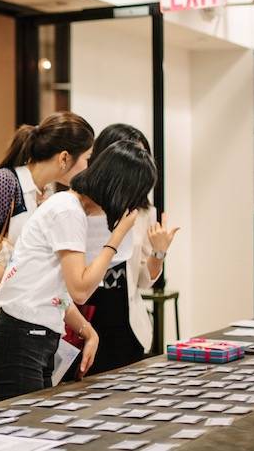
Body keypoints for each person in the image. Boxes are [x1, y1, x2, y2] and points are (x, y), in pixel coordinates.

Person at [0, 140, 157, 400]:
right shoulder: (68, 210)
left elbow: (57, 293)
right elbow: (80, 290)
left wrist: (87, 331)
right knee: (27, 424)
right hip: (21, 338)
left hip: (34, 337)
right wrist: (117, 235)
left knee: (38, 422)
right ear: (120, 191)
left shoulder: (71, 208)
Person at [0, 112, 95, 411]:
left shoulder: (52, 195)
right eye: (86, 158)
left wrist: (83, 327)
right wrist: (20, 291)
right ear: (64, 158)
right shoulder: (4, 182)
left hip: (27, 326)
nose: (88, 168)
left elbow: (46, 279)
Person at [81, 124, 179, 374]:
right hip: (82, 315)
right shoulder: (80, 205)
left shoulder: (143, 212)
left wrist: (159, 253)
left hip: (125, 319)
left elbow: (144, 281)